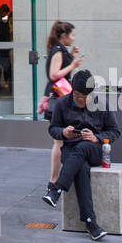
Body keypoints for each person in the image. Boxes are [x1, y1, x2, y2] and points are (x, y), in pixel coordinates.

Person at [43, 69, 119, 239]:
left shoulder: (102, 104)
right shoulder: (62, 103)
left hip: (94, 149)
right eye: (78, 95)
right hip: (70, 149)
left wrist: (96, 137)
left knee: (83, 148)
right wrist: (64, 132)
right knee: (81, 169)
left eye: (86, 96)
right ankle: (91, 223)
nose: (82, 100)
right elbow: (53, 129)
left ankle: (56, 190)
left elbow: (115, 131)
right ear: (73, 91)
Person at [41, 21, 84, 204]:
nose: (73, 38)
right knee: (59, 140)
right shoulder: (57, 50)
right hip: (58, 99)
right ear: (64, 35)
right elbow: (54, 75)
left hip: (60, 98)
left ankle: (57, 180)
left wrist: (71, 56)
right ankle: (53, 181)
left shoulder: (59, 49)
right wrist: (73, 65)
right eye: (72, 35)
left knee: (61, 140)